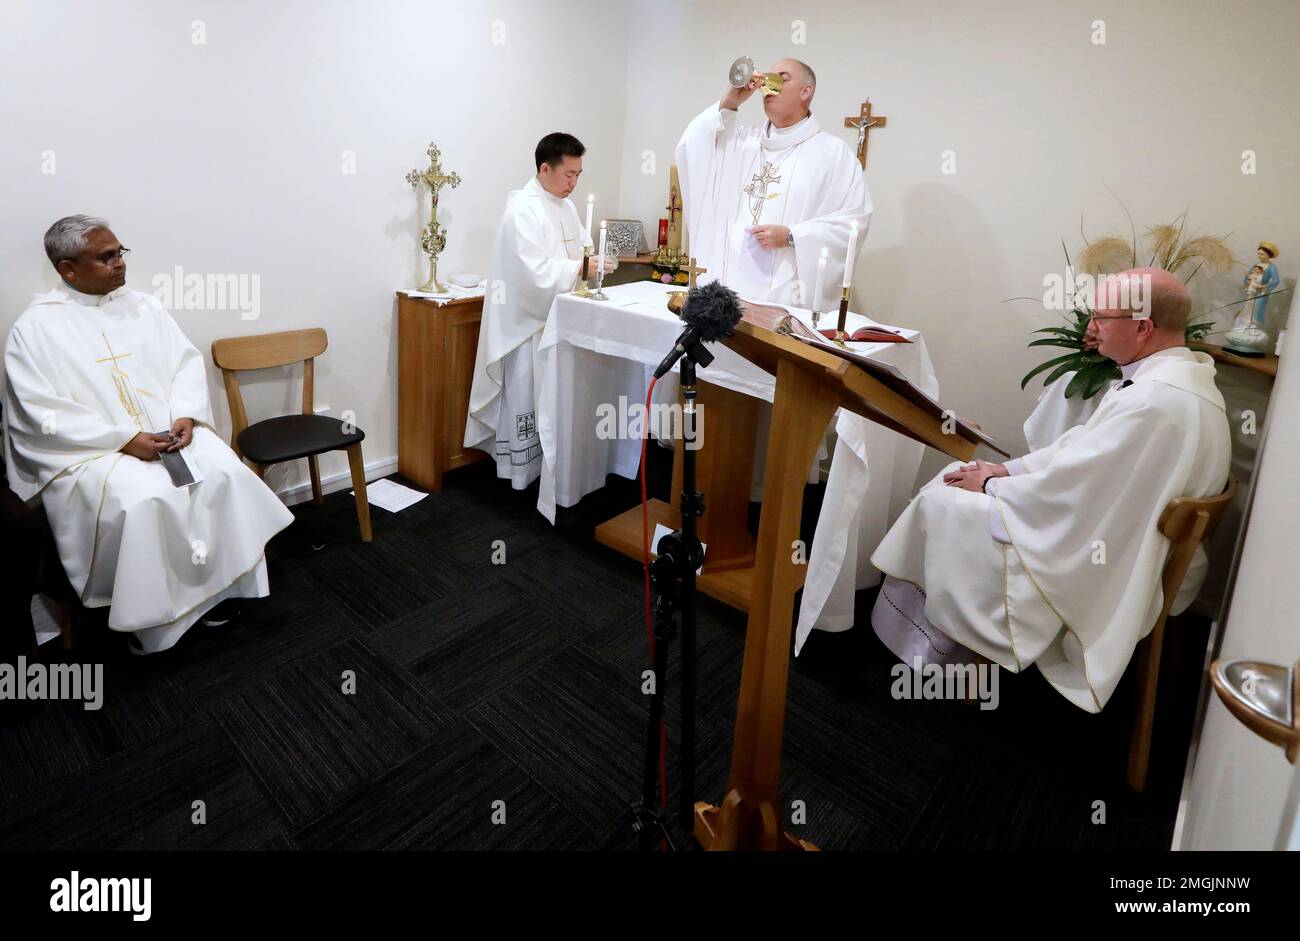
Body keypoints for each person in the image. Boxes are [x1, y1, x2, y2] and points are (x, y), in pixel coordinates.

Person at [867, 268, 1230, 712]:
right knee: (963, 486)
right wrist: (1005, 471)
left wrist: (993, 487)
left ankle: (940, 657)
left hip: (1105, 559)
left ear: (1142, 327)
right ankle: (943, 646)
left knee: (944, 499)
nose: (1090, 328)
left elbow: (1077, 491)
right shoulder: (1180, 381)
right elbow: (1083, 454)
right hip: (1128, 540)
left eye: (1101, 317)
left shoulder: (1156, 402)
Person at [4, 215, 294, 654]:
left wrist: (187, 415)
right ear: (68, 269)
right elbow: (40, 411)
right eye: (106, 257)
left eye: (120, 252)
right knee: (145, 501)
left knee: (222, 473)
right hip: (91, 453)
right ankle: (155, 625)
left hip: (167, 436)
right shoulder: (34, 329)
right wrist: (122, 439)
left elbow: (184, 363)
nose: (120, 263)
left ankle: (220, 595)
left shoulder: (144, 307)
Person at [464, 133, 610, 488]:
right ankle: (520, 476)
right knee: (527, 399)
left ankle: (553, 472)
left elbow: (577, 253)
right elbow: (531, 274)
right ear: (545, 169)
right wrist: (579, 268)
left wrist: (589, 263)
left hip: (558, 322)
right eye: (569, 175)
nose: (574, 183)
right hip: (527, 328)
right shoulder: (522, 210)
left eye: (579, 175)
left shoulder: (567, 207)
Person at [675, 58, 871, 311]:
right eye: (768, 78)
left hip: (786, 296)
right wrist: (731, 100)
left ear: (805, 91)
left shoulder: (833, 154)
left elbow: (854, 221)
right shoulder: (743, 143)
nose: (769, 85)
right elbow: (693, 145)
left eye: (782, 78)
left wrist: (792, 236)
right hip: (728, 291)